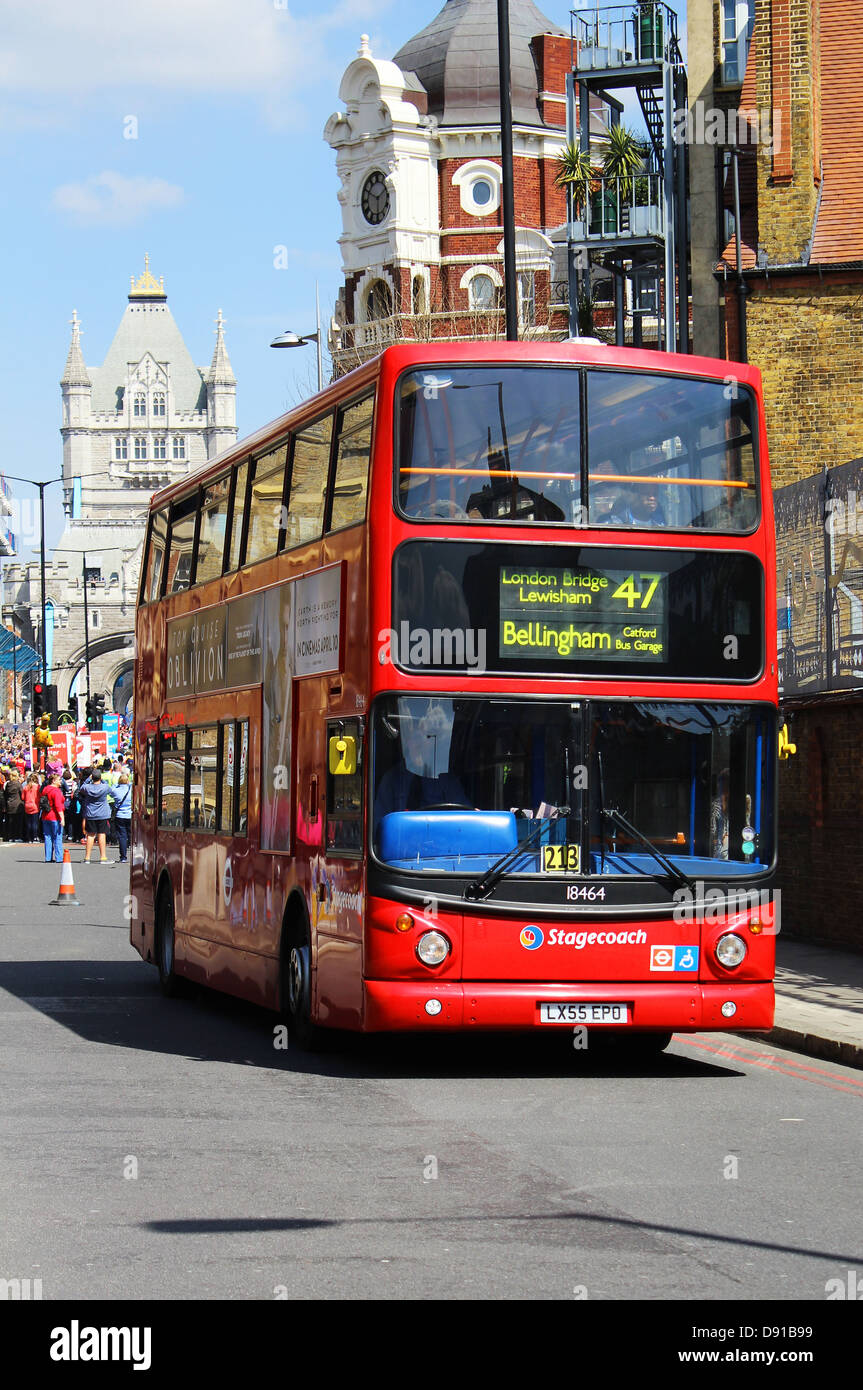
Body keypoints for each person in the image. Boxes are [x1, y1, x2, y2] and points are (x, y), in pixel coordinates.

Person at [78, 769, 113, 864]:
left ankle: (87, 857)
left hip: (91, 813)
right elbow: (112, 791)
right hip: (102, 813)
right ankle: (103, 857)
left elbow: (81, 787)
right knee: (102, 834)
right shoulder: (105, 787)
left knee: (90, 835)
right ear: (100, 778)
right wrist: (103, 780)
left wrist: (88, 780)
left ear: (92, 777)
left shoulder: (87, 787)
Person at [41, 774, 65, 863]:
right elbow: (58, 806)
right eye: (59, 780)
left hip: (45, 815)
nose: (60, 781)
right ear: (53, 781)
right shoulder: (56, 791)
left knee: (47, 837)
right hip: (55, 816)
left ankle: (48, 857)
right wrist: (62, 818)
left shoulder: (45, 790)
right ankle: (59, 858)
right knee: (57, 837)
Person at [111, 773, 132, 864]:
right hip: (130, 814)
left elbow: (111, 789)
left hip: (119, 815)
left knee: (122, 837)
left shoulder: (116, 791)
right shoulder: (131, 790)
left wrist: (117, 784)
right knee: (131, 835)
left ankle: (123, 857)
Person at [4, 769, 24, 842]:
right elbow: (22, 794)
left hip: (9, 804)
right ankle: (17, 836)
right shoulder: (18, 784)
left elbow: (5, 794)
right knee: (18, 822)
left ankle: (11, 836)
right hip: (17, 804)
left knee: (11, 822)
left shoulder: (8, 784)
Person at [22, 773, 41, 843]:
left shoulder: (26, 787)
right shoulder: (38, 787)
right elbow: (40, 795)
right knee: (35, 823)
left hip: (27, 805)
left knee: (29, 823)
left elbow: (23, 797)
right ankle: (35, 837)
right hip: (35, 805)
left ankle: (29, 838)